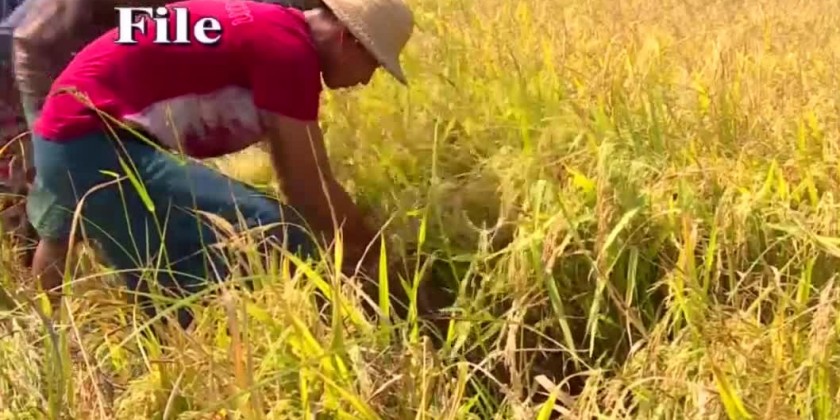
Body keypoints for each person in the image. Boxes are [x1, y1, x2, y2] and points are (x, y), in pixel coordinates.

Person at [26, 0, 414, 328]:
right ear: (348, 40)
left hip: (60, 130)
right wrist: (371, 257)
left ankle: (47, 342)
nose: (366, 81)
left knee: (64, 237)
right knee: (281, 236)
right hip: (96, 144)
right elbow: (308, 188)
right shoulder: (288, 52)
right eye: (375, 67)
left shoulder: (269, 24)